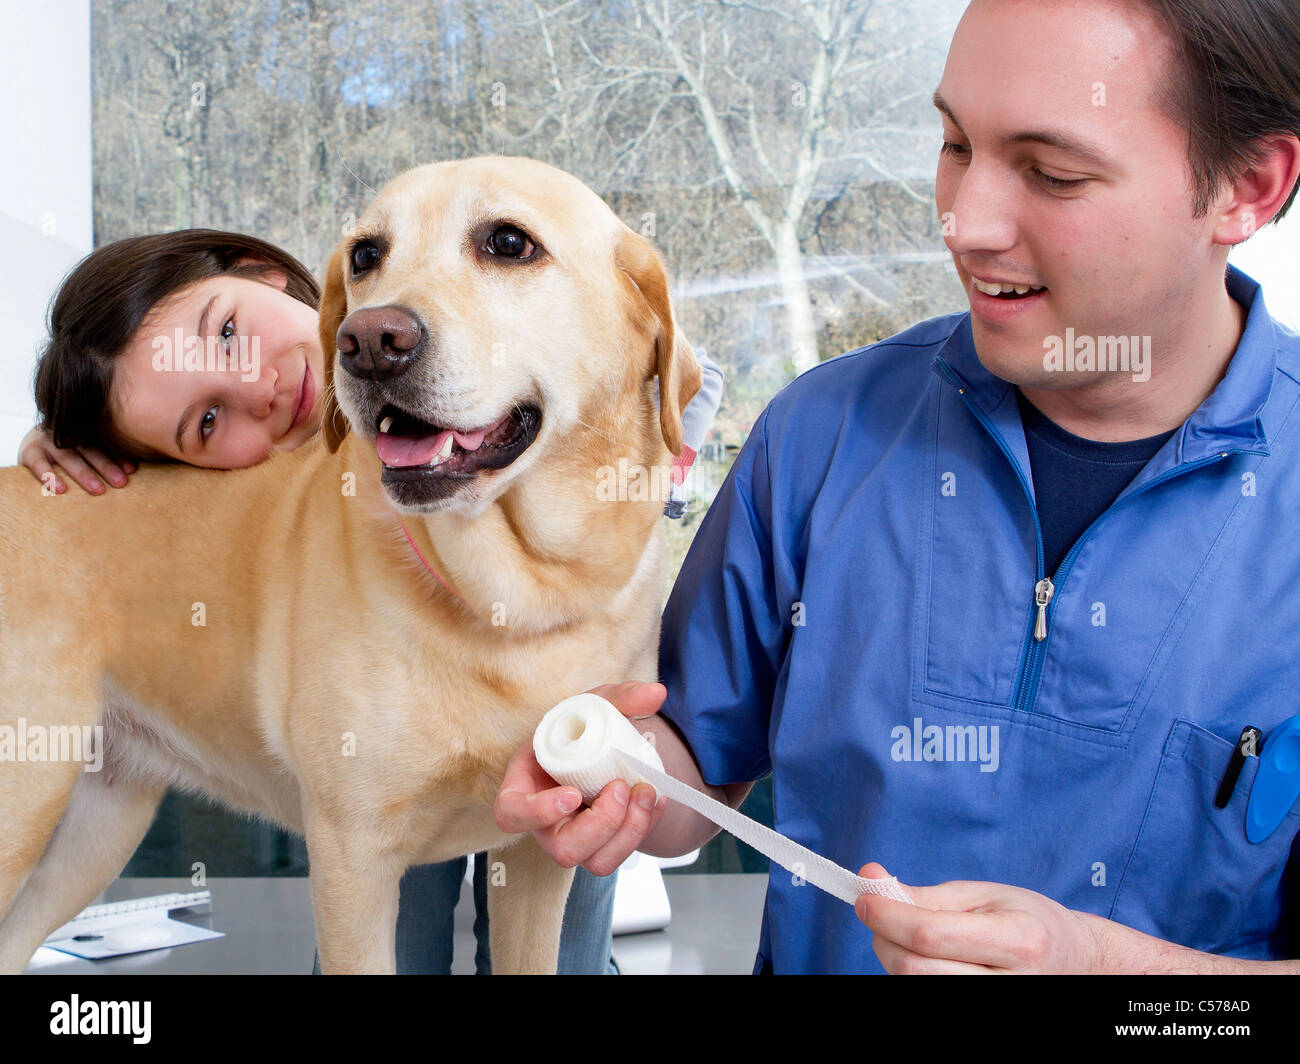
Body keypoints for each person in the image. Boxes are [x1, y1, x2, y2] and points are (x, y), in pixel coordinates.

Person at [495, 0, 1300, 973]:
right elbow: (686, 776)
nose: (966, 224)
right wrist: (599, 770)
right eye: (956, 143)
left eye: (1053, 171)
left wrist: (1105, 971)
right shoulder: (820, 434)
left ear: (1247, 187)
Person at [20, 227, 725, 974]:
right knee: (394, 916)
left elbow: (663, 380)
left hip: (557, 691)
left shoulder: (416, 311)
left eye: (226, 332)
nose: (256, 387)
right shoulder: (294, 472)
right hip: (388, 700)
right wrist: (52, 447)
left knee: (568, 921)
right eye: (207, 421)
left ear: (271, 276)